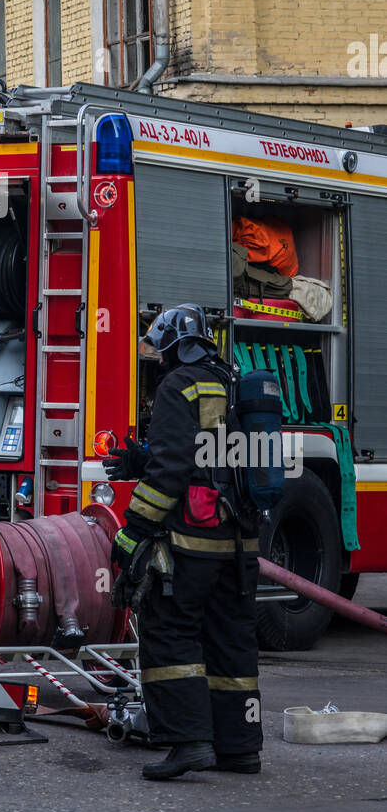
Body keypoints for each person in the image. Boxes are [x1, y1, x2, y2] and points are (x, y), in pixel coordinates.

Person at [107, 304, 263, 781]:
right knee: (230, 637)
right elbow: (213, 451)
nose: (156, 360)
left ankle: (188, 742)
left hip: (191, 537)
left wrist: (133, 529)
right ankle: (239, 748)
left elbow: (173, 467)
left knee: (170, 631)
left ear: (176, 345)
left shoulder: (179, 386)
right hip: (239, 540)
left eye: (160, 350)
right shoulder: (235, 381)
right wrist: (144, 457)